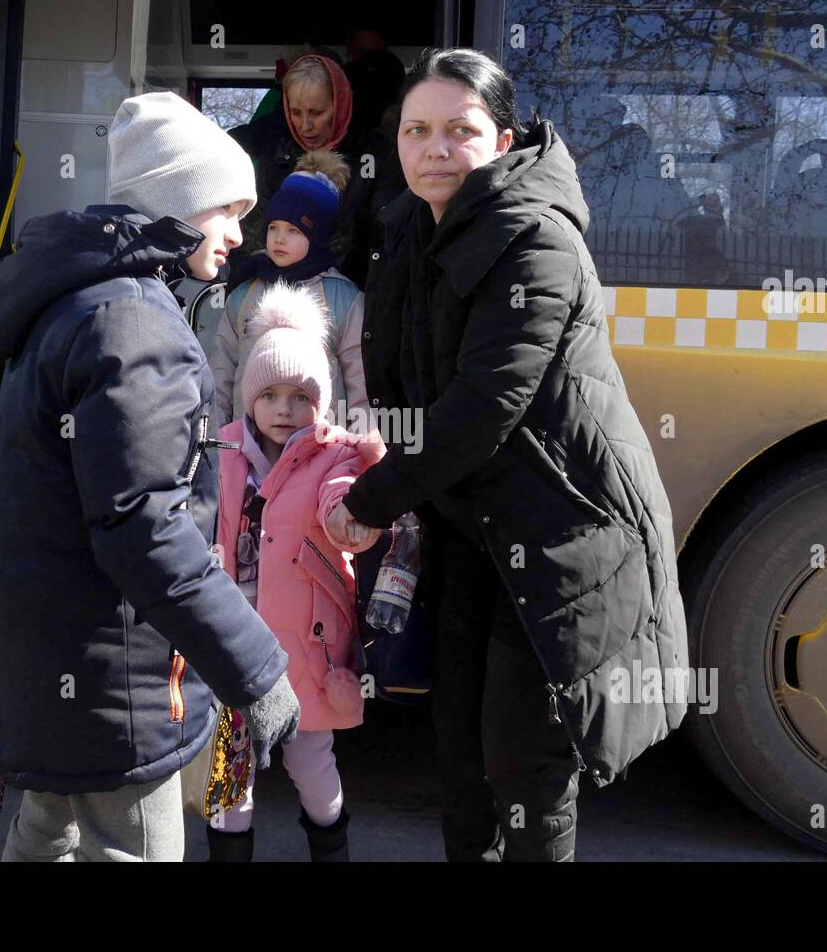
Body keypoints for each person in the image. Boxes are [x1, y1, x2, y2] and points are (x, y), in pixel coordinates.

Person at [328, 48, 690, 862]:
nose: (434, 149)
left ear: (501, 139)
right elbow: (399, 379)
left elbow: (484, 406)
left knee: (523, 761)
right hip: (472, 527)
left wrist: (371, 500)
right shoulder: (410, 229)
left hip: (559, 528)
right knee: (459, 750)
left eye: (459, 130)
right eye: (416, 131)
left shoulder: (536, 239)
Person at [0, 91, 302, 862]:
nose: (240, 233)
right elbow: (146, 531)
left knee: (46, 831)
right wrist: (256, 670)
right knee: (135, 848)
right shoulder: (134, 322)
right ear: (179, 201)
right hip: (117, 671)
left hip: (58, 655)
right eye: (228, 209)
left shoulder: (76, 300)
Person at [206, 281, 382, 862]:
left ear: (321, 403)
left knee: (311, 764)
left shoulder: (335, 455)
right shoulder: (225, 453)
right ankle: (228, 852)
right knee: (230, 773)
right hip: (235, 644)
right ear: (248, 399)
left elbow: (341, 500)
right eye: (270, 394)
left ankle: (331, 846)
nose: (285, 409)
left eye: (301, 396)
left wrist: (350, 522)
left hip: (306, 648)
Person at [209, 149, 368, 434]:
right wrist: (218, 443)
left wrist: (360, 446)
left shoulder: (344, 299)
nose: (280, 238)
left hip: (321, 447)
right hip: (249, 445)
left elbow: (360, 382)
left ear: (317, 236)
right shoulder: (243, 296)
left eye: (294, 230)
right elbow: (221, 376)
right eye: (274, 228)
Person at [228, 53, 397, 288]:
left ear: (340, 105)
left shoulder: (376, 155)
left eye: (316, 113)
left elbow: (383, 244)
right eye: (296, 112)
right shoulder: (275, 154)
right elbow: (252, 241)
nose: (305, 126)